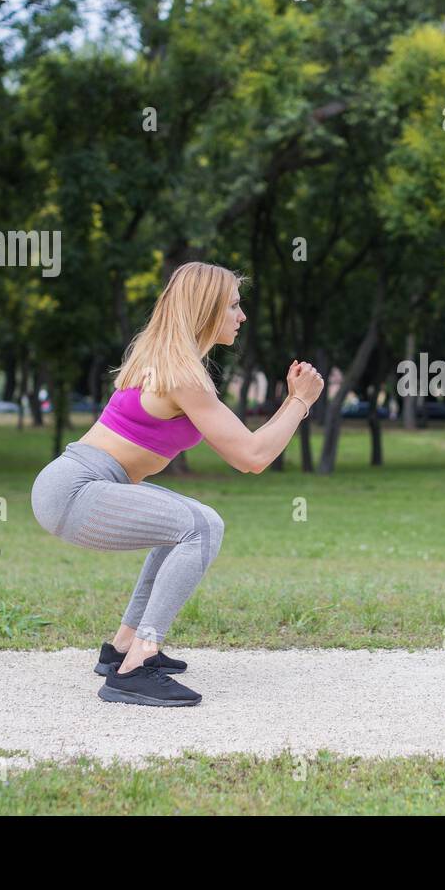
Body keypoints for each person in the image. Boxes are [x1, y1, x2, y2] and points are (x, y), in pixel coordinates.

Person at [30, 261, 324, 706]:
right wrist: (300, 402)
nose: (241, 316)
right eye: (233, 305)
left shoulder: (164, 359)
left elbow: (247, 448)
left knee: (180, 526)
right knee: (202, 525)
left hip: (74, 485)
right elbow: (253, 457)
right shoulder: (183, 375)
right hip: (77, 490)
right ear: (205, 311)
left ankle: (123, 648)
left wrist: (292, 401)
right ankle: (138, 666)